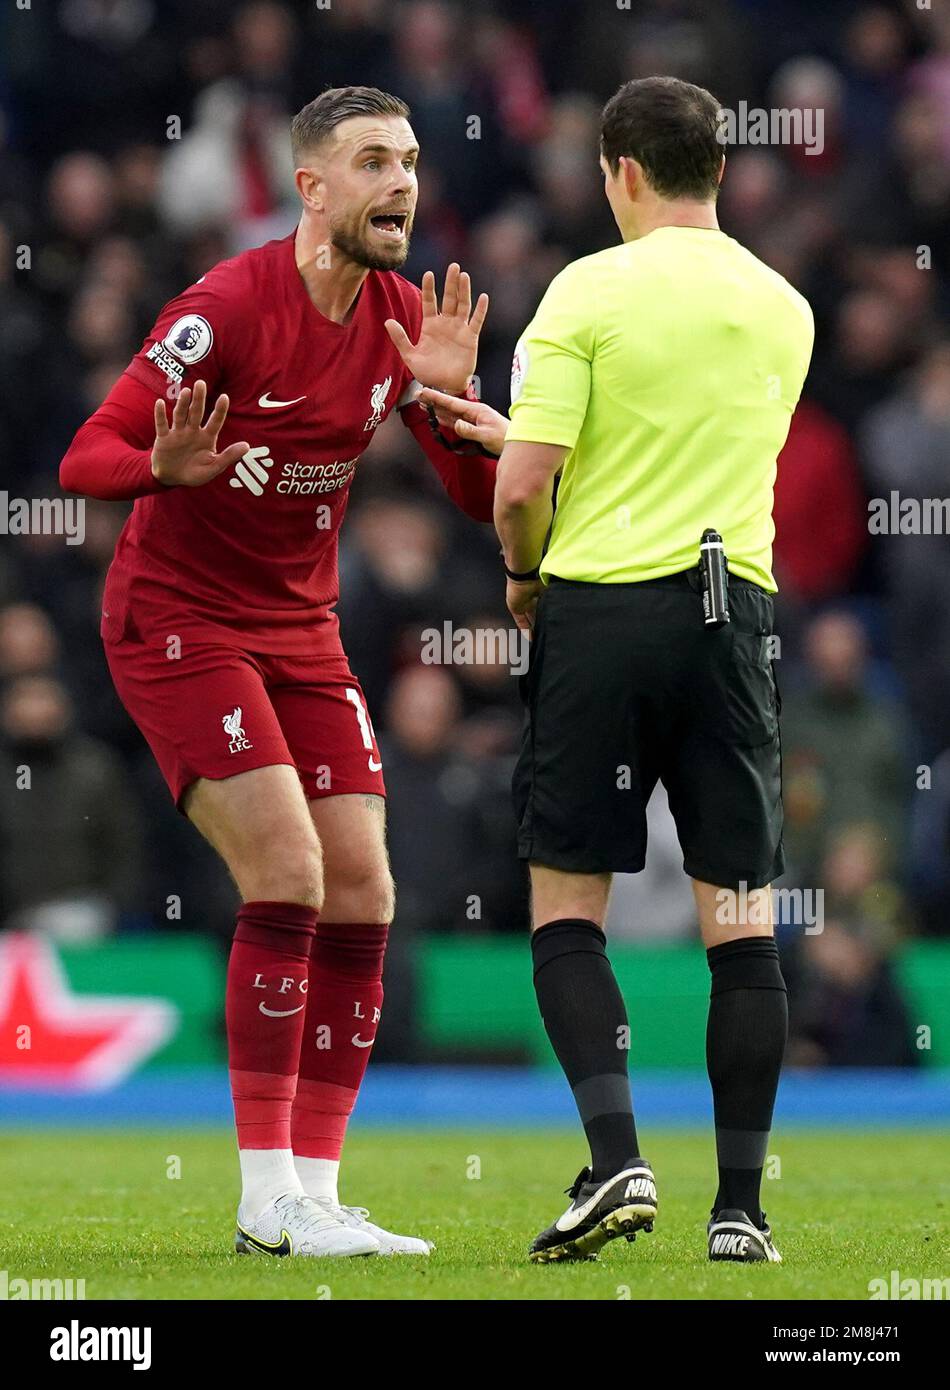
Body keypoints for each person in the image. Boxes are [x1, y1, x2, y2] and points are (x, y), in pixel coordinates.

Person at [60, 86, 498, 1259]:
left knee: (365, 887)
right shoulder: (228, 305)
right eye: (370, 162)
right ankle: (262, 1193)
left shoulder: (402, 312)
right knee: (291, 869)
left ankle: (313, 1188)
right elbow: (84, 455)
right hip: (178, 619)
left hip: (301, 628)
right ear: (310, 186)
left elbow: (467, 501)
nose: (400, 182)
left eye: (408, 160)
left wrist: (452, 408)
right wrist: (164, 464)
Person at [421, 75, 814, 1264]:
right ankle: (739, 1209)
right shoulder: (781, 305)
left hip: (599, 613)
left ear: (619, 173)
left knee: (564, 906)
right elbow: (681, 456)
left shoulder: (585, 289)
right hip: (733, 612)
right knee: (739, 924)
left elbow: (525, 489)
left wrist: (523, 575)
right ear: (720, 172)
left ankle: (615, 1157)